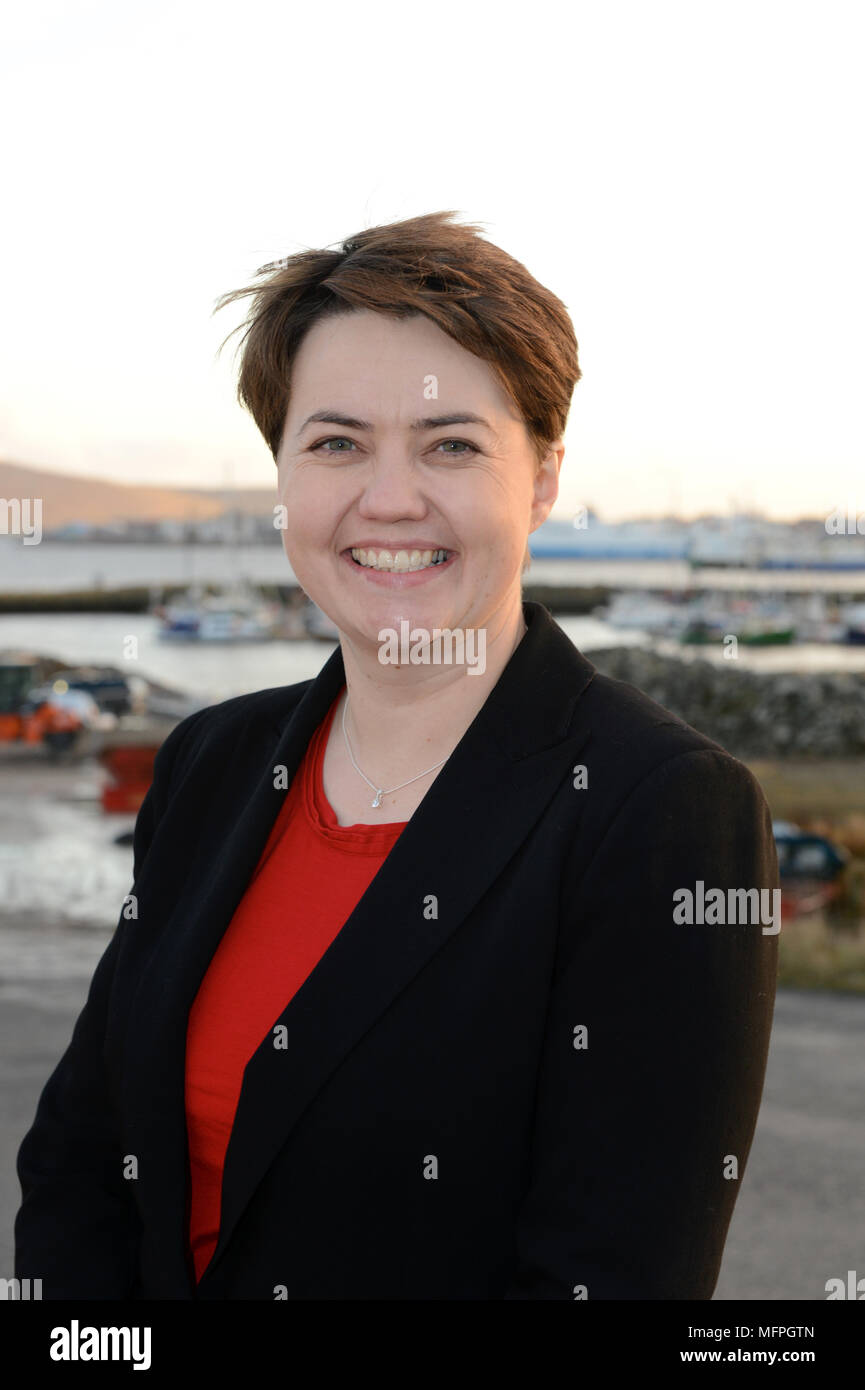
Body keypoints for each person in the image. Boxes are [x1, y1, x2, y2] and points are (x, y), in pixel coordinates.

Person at [15, 211, 778, 1300]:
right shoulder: (212, 763)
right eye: (335, 443)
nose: (388, 499)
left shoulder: (658, 811)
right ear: (283, 473)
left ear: (544, 476)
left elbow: (608, 1277)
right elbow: (78, 1163)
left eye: (451, 444)